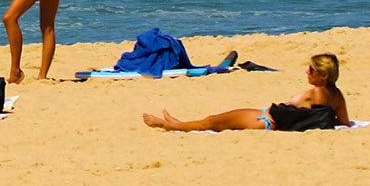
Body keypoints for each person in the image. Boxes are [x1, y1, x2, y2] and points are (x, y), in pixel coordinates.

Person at [141, 54, 350, 132]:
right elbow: (344, 123)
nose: (307, 72)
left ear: (322, 75)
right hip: (267, 121)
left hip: (263, 119)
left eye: (312, 70)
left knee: (211, 122)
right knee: (211, 122)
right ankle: (178, 124)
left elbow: (288, 107)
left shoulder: (311, 94)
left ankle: (168, 125)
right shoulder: (338, 95)